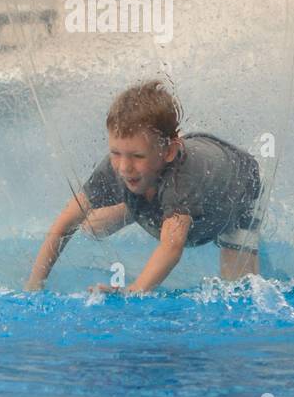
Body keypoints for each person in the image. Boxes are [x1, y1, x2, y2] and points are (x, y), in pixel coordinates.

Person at [25, 80, 263, 294]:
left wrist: (133, 290)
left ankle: (144, 205)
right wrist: (33, 285)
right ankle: (137, 206)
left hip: (238, 188)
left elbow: (172, 246)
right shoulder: (118, 165)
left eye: (137, 156)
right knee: (90, 226)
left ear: (168, 152)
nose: (124, 167)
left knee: (238, 290)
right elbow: (64, 224)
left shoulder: (182, 181)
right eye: (115, 153)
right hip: (171, 172)